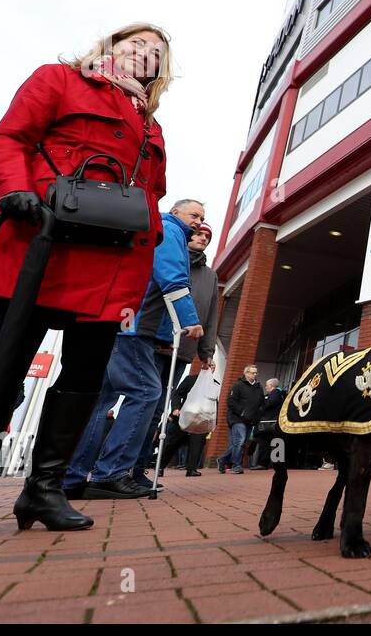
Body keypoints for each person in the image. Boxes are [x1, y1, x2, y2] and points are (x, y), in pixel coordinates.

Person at [0, 24, 175, 537]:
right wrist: (13, 191)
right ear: (111, 48)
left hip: (112, 262)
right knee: (4, 365)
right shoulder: (59, 79)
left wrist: (152, 237)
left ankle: (44, 489)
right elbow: (8, 139)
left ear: (160, 71)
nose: (144, 53)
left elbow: (152, 193)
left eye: (155, 53)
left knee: (85, 377)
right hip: (45, 238)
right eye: (135, 43)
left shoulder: (152, 127)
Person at [64, 199, 205, 499]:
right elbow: (171, 278)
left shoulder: (161, 229)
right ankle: (110, 473)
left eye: (202, 217)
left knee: (102, 400)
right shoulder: (170, 230)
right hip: (135, 328)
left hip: (123, 322)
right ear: (177, 212)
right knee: (145, 393)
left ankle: (74, 476)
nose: (198, 221)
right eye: (194, 215)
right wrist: (189, 320)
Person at [130, 214, 217, 486]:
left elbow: (211, 314)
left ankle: (138, 468)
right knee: (142, 403)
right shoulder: (169, 254)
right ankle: (119, 466)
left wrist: (207, 351)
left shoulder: (210, 275)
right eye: (199, 232)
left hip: (183, 349)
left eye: (207, 236)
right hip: (153, 340)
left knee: (157, 410)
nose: (202, 237)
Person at [218, 365, 262, 474]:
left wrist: (258, 415)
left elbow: (261, 403)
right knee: (239, 441)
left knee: (240, 443)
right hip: (237, 419)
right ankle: (236, 465)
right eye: (252, 372)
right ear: (246, 373)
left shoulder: (258, 387)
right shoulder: (238, 385)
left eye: (256, 373)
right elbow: (231, 402)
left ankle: (222, 459)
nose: (255, 375)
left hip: (250, 420)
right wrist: (242, 412)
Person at [248, 378, 286, 470]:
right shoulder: (281, 394)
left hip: (268, 422)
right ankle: (276, 463)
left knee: (264, 442)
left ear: (272, 386)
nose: (266, 387)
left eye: (267, 385)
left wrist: (260, 404)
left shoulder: (275, 393)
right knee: (275, 442)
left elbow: (268, 404)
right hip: (274, 422)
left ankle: (263, 463)